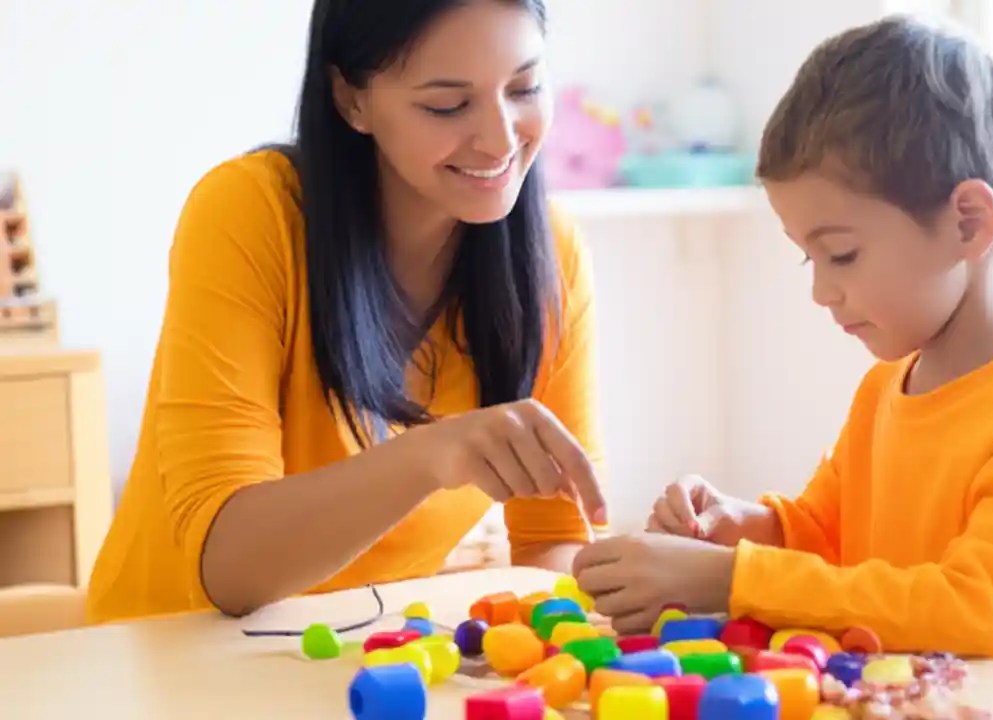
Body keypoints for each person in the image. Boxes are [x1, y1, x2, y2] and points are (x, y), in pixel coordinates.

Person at [572, 15, 993, 686]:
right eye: (806, 258)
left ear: (968, 221)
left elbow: (977, 611)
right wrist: (741, 528)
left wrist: (733, 578)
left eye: (841, 254)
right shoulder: (892, 386)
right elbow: (827, 537)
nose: (820, 291)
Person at [86, 0, 608, 624]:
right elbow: (228, 568)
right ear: (351, 98)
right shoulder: (252, 214)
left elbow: (553, 537)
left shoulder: (550, 253)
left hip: (365, 659)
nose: (501, 138)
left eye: (525, 88)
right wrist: (430, 457)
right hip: (169, 652)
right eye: (446, 105)